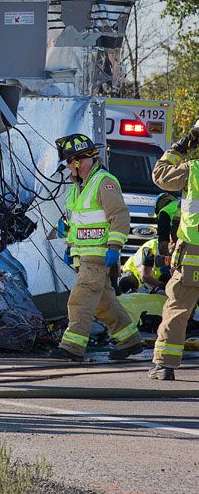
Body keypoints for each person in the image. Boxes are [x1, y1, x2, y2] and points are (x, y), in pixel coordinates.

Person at [50, 133, 143, 362]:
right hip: (85, 256)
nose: (68, 167)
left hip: (98, 255)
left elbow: (119, 215)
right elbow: (79, 222)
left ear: (79, 160)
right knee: (104, 304)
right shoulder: (79, 187)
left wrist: (114, 246)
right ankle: (129, 340)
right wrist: (70, 246)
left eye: (68, 161)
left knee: (79, 300)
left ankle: (71, 348)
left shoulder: (104, 182)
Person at [147, 122, 199, 380]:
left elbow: (160, 174)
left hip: (194, 253)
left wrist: (181, 145)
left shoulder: (194, 170)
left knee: (178, 306)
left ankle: (165, 365)